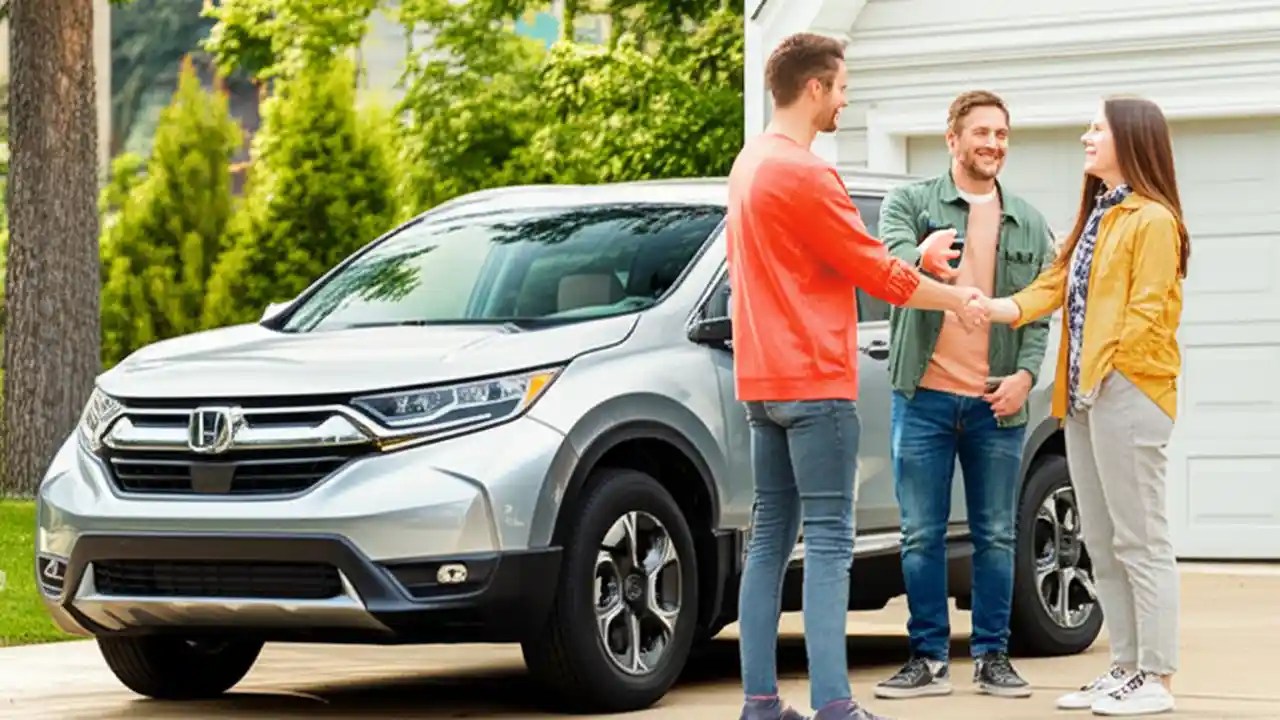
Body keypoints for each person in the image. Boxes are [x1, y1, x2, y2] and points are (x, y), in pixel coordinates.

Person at [728, 32, 990, 720]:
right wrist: (956, 295)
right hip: (816, 383)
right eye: (841, 88)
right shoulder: (807, 173)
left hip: (763, 385)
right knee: (829, 545)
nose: (845, 100)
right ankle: (834, 706)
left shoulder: (750, 162)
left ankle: (760, 703)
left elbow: (833, 255)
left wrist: (921, 260)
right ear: (813, 89)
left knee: (768, 543)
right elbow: (881, 276)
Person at [984, 95, 1188, 716]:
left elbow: (1148, 313)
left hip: (1126, 391)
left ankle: (1156, 675)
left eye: (1096, 127)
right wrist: (1002, 308)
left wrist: (1104, 374)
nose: (1085, 137)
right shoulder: (1101, 213)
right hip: (1085, 397)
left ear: (1130, 137)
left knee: (1140, 538)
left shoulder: (1152, 219)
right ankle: (1123, 667)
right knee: (1099, 537)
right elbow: (1055, 283)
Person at [871, 90, 1055, 702]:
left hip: (994, 401)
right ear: (952, 139)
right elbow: (890, 267)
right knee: (920, 533)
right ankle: (927, 658)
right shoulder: (909, 203)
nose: (993, 144)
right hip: (921, 395)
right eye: (981, 133)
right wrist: (918, 259)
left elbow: (1037, 313)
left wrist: (1026, 377)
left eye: (1001, 134)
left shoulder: (1028, 221)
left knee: (997, 534)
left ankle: (992, 656)